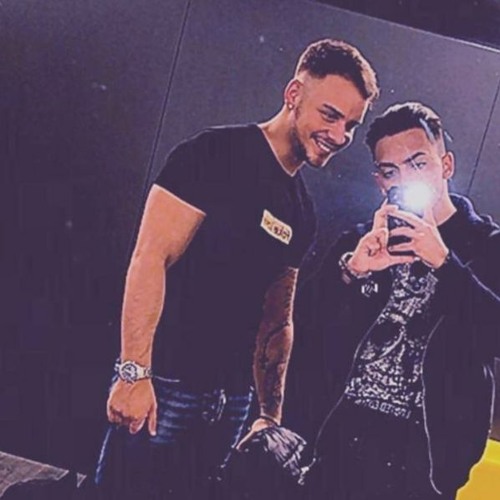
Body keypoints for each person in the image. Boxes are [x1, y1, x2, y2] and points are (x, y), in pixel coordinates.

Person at [93, 39, 379, 499]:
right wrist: (133, 373)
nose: (340, 135)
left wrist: (269, 415)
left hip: (232, 404)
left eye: (351, 125)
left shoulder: (301, 211)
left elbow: (277, 321)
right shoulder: (214, 153)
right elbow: (150, 258)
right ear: (293, 94)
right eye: (330, 115)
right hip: (164, 387)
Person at [303, 101, 500, 500]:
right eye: (390, 171)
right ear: (380, 181)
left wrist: (445, 264)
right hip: (338, 444)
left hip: (424, 461)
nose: (405, 178)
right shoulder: (359, 241)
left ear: (446, 165)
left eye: (418, 164)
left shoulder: (489, 248)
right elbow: (302, 327)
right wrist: (351, 272)